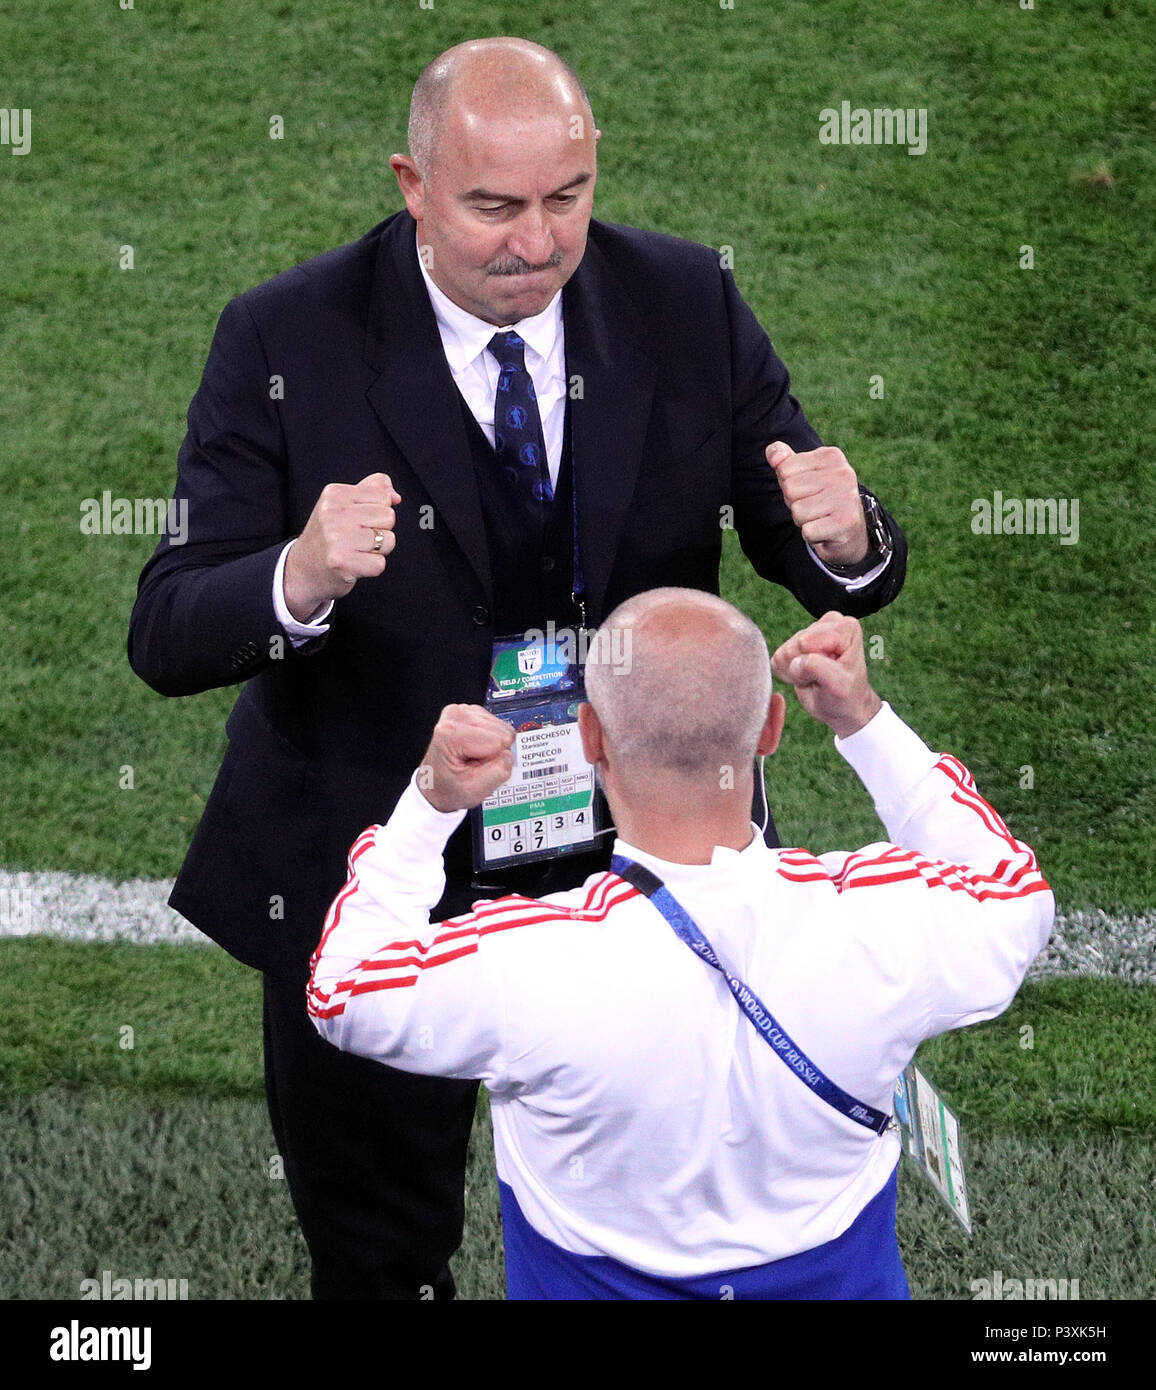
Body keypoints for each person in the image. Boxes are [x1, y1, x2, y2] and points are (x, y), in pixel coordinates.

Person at [127, 36, 908, 1299]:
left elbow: (811, 544)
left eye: (567, 198)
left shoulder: (679, 299)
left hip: (640, 859)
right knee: (381, 1255)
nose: (536, 243)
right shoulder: (285, 334)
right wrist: (299, 578)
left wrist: (850, 535)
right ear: (412, 183)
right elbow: (166, 629)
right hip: (378, 862)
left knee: (658, 1237)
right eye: (493, 205)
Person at [308, 593, 1053, 1300]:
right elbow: (1015, 894)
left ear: (588, 736)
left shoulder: (524, 961)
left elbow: (342, 988)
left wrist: (429, 805)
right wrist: (864, 720)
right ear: (769, 728)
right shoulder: (886, 917)